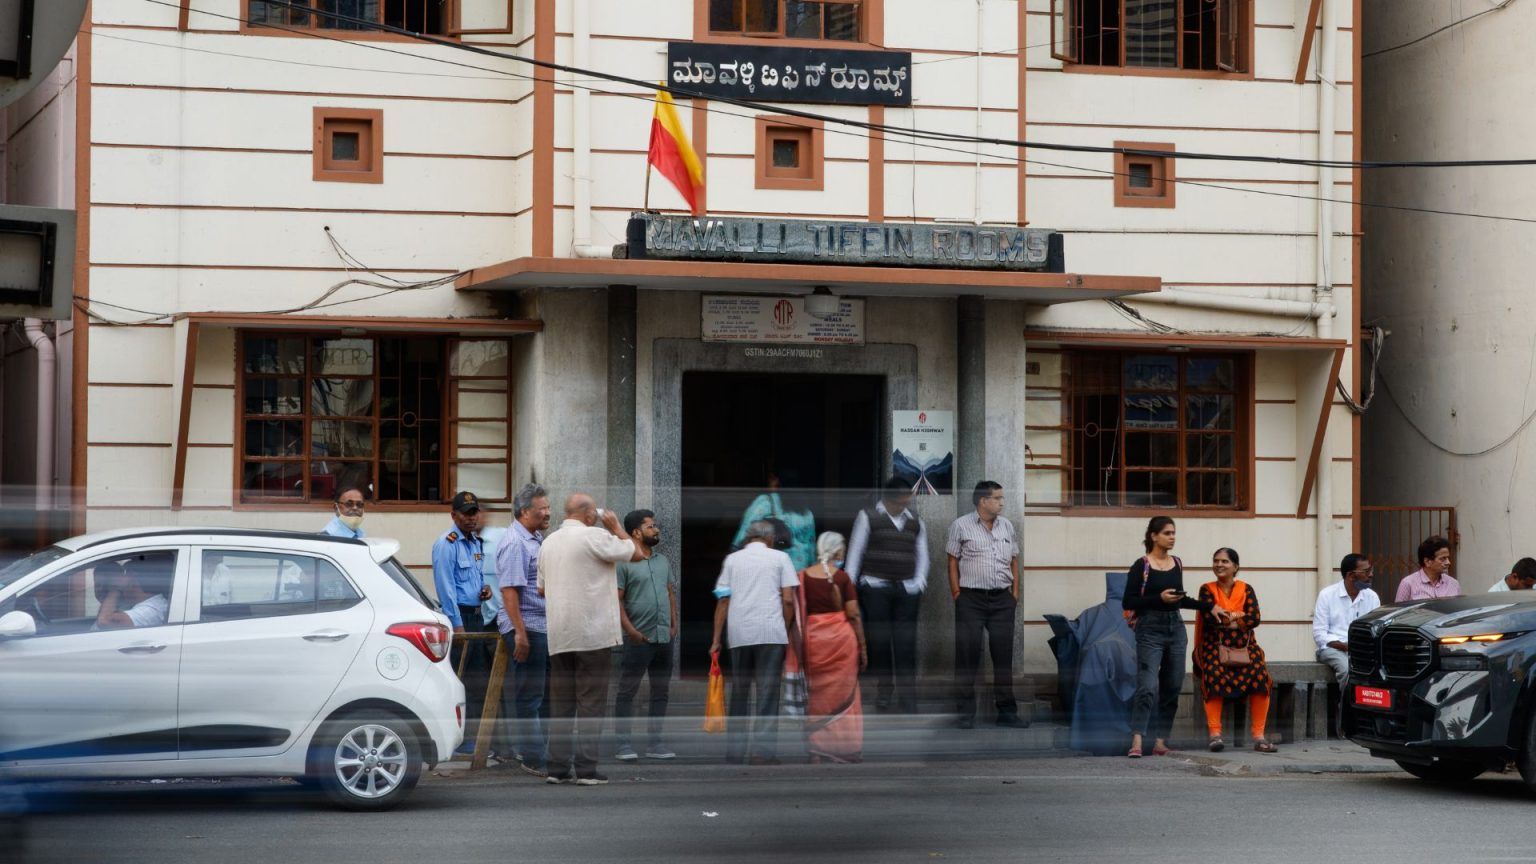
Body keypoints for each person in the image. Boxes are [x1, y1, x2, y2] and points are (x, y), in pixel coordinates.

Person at [537, 493, 642, 786]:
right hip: (592, 632)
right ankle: (586, 770)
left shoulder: (548, 543)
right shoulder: (594, 535)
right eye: (594, 512)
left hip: (559, 633)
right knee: (591, 703)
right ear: (586, 514)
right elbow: (635, 553)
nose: (597, 516)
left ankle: (556, 769)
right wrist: (616, 526)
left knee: (561, 704)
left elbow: (542, 590)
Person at [1122, 516, 1224, 758]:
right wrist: (1159, 599)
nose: (1172, 537)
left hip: (1175, 629)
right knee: (1147, 686)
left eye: (1174, 533)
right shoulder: (1141, 565)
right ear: (1153, 536)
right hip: (1150, 629)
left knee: (1172, 686)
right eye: (1167, 533)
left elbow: (1180, 599)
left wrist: (1208, 606)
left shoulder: (1176, 563)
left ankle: (1160, 741)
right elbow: (1128, 601)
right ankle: (1137, 740)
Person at [710, 519, 799, 765]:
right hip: (771, 632)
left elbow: (723, 601)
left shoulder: (732, 560)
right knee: (768, 693)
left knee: (739, 692)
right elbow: (789, 600)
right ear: (769, 538)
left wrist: (716, 639)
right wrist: (786, 627)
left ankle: (735, 752)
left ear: (749, 537)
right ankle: (762, 752)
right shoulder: (780, 558)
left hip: (739, 633)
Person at [946, 480, 1026, 729]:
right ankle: (965, 712)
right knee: (967, 655)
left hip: (1002, 598)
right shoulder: (960, 526)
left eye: (1002, 498)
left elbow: (1014, 560)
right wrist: (957, 593)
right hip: (970, 598)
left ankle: (1006, 712)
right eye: (997, 498)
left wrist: (1014, 593)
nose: (1002, 502)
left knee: (1003, 657)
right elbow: (952, 561)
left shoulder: (1007, 526)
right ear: (983, 501)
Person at [846, 476, 929, 714]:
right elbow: (855, 552)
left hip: (906, 590)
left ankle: (908, 698)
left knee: (906, 646)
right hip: (875, 587)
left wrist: (918, 583)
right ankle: (884, 691)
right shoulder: (868, 516)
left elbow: (922, 555)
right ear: (892, 497)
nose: (907, 502)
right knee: (880, 643)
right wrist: (850, 588)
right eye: (904, 497)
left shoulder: (915, 521)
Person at [794, 531, 867, 763]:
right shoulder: (842, 578)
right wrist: (863, 646)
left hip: (814, 640)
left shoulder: (803, 576)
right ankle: (845, 749)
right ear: (837, 551)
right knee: (846, 696)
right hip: (842, 641)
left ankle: (817, 750)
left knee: (817, 696)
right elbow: (853, 614)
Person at [495, 483, 553, 777]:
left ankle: (540, 751)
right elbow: (509, 591)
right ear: (524, 511)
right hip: (527, 625)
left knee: (543, 696)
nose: (548, 513)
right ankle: (532, 757)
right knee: (529, 697)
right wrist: (519, 633)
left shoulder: (535, 538)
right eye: (542, 508)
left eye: (548, 507)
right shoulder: (515, 542)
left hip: (541, 625)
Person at [1192, 548, 1275, 753]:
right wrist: (1238, 615)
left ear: (1235, 567)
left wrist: (1232, 620)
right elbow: (1212, 619)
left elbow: (1254, 617)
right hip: (1214, 645)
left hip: (1245, 646)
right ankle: (1215, 735)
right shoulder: (1206, 589)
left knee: (1260, 678)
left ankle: (1259, 736)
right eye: (1216, 561)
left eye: (1225, 561)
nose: (1219, 565)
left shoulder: (1246, 589)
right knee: (1213, 676)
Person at [613, 509, 678, 762]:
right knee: (627, 691)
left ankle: (656, 743)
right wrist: (630, 631)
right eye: (651, 526)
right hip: (639, 637)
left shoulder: (662, 561)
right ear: (636, 533)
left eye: (656, 525)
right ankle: (623, 744)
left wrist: (674, 624)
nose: (657, 529)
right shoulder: (623, 562)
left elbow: (669, 591)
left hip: (665, 636)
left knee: (660, 692)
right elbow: (616, 599)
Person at [432, 491, 493, 753]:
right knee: (459, 680)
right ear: (453, 515)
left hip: (476, 615)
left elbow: (472, 579)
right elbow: (445, 589)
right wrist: (457, 627)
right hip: (460, 620)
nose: (472, 518)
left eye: (474, 513)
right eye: (466, 514)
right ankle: (455, 739)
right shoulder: (447, 544)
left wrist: (484, 590)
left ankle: (472, 738)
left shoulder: (475, 542)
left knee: (477, 680)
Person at [1312, 553, 1381, 684]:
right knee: (1347, 670)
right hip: (1332, 649)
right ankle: (1347, 705)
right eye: (1366, 571)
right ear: (1350, 575)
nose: (1371, 575)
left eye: (1371, 570)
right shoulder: (1327, 595)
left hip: (1362, 650)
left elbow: (1375, 631)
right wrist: (1345, 646)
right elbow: (1319, 634)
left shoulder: (1372, 597)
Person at [731, 470, 817, 571]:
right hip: (801, 570)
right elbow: (811, 549)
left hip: (773, 570)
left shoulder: (766, 502)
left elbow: (743, 535)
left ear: (777, 480)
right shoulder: (807, 512)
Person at [94, 558, 171, 630]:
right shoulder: (146, 605)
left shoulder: (152, 609)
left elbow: (104, 621)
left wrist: (115, 589)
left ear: (130, 575)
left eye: (124, 575)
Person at [1395, 535, 1460, 601]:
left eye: (1448, 558)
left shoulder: (1453, 584)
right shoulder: (1408, 583)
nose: (1448, 562)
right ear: (1427, 562)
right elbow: (1398, 610)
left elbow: (1458, 610)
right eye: (1443, 559)